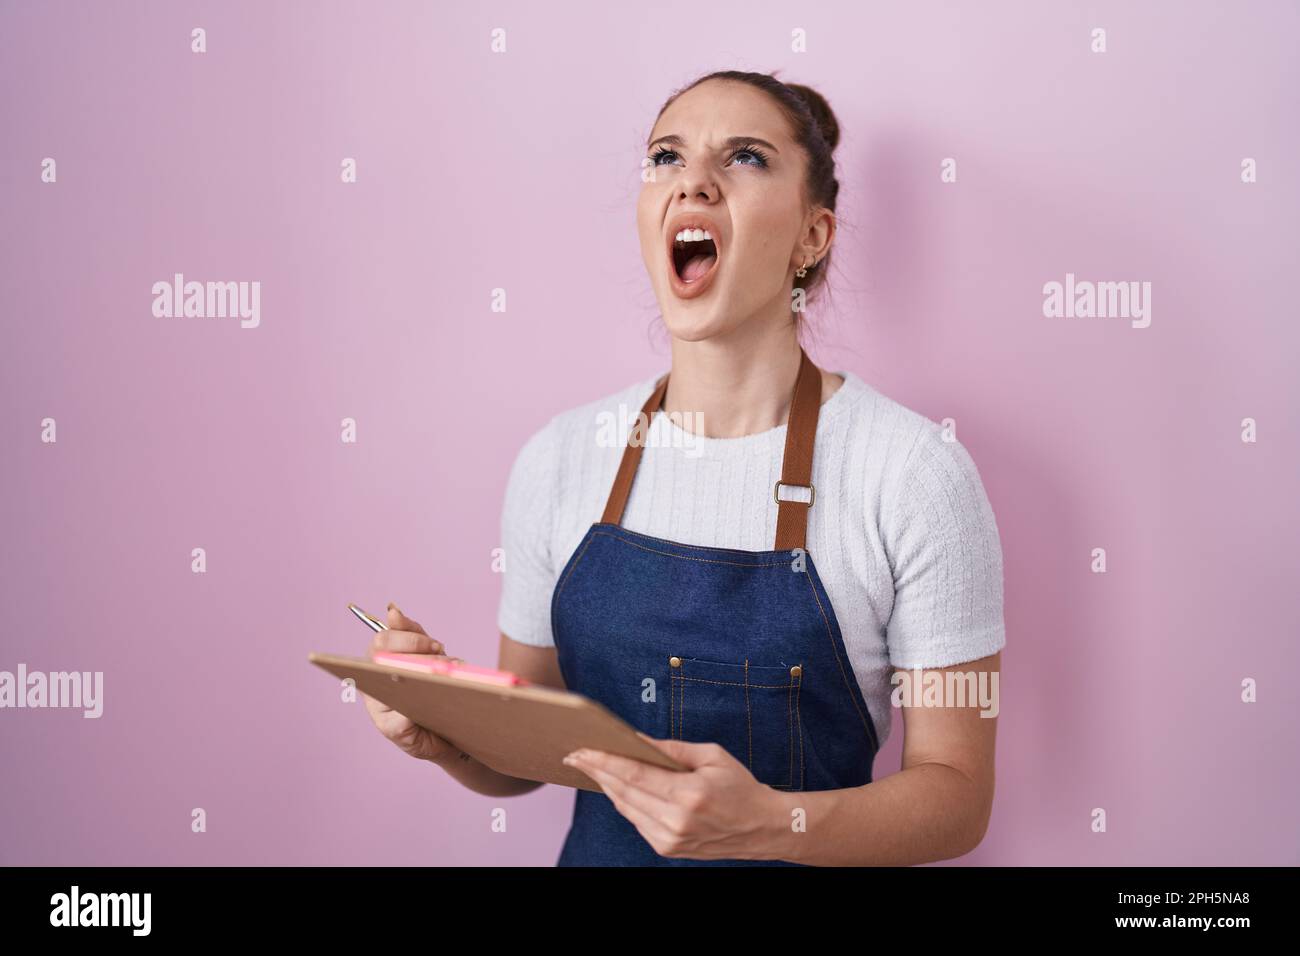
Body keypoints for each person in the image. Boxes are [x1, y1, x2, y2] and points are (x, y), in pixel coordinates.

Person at [364, 70, 1005, 867]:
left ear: (813, 237)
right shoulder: (561, 457)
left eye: (745, 157)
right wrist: (446, 733)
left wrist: (772, 824)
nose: (692, 180)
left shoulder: (913, 475)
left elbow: (957, 796)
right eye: (666, 156)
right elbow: (524, 760)